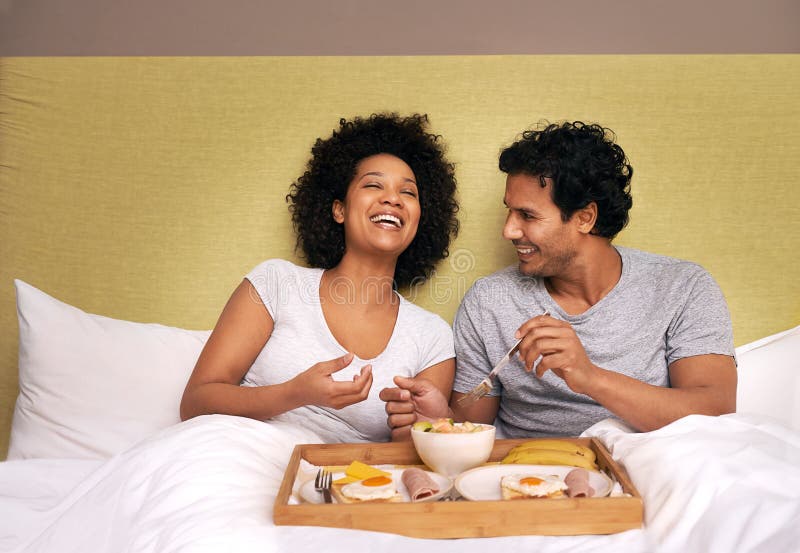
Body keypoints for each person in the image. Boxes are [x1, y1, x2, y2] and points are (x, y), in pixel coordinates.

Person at [381, 121, 737, 439]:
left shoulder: (681, 286)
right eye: (509, 210)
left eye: (527, 215)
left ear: (584, 217)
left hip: (648, 471)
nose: (509, 230)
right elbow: (472, 427)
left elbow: (715, 410)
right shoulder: (490, 302)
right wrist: (439, 419)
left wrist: (589, 377)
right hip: (531, 478)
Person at [180, 113, 459, 443]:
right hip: (236, 454)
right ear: (338, 209)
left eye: (408, 192)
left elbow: (413, 459)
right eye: (373, 184)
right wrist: (294, 393)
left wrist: (426, 427)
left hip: (344, 483)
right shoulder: (276, 283)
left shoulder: (432, 337)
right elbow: (195, 403)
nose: (392, 198)